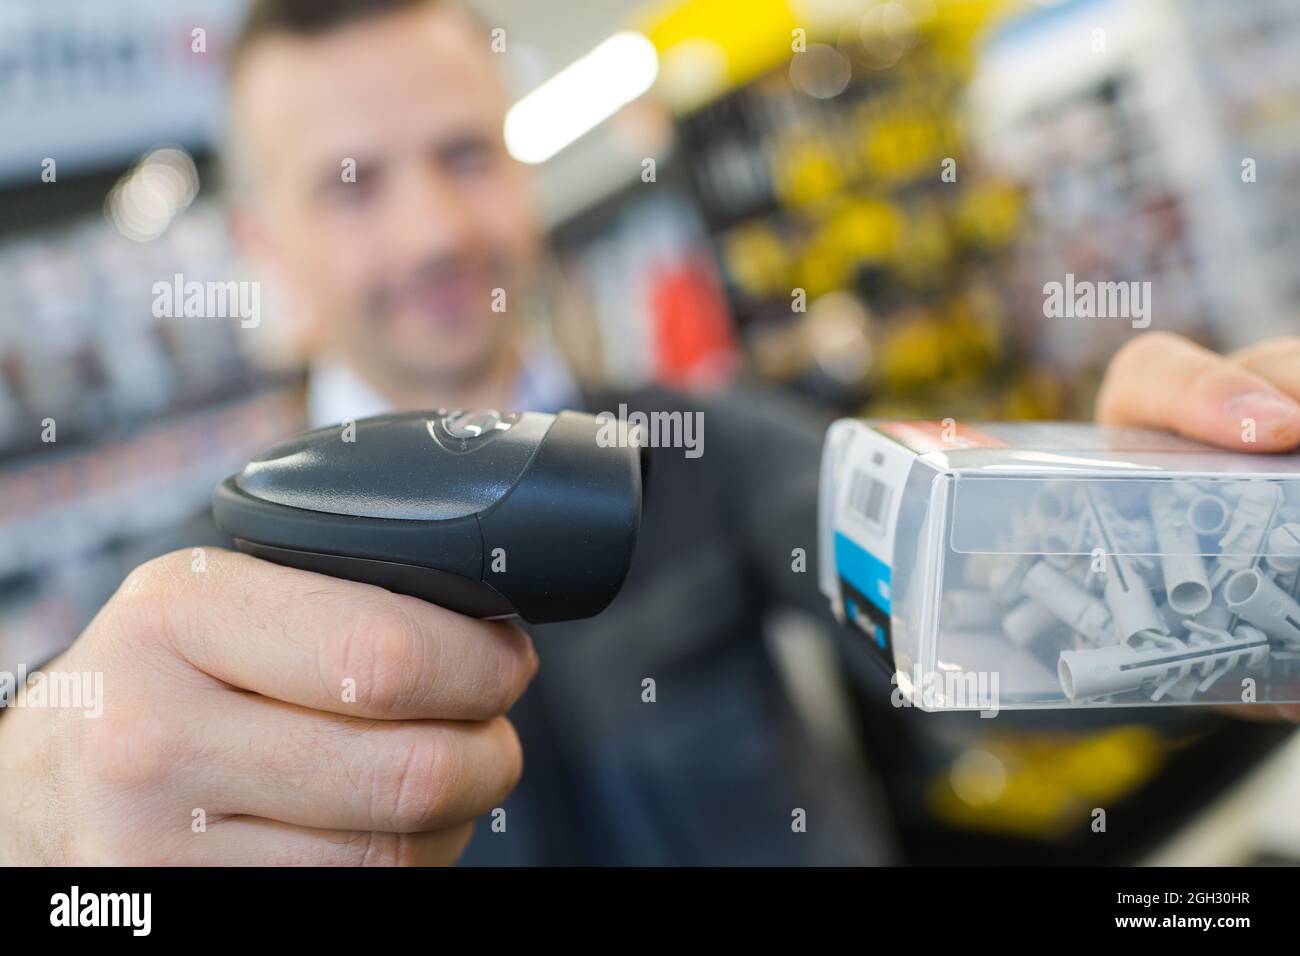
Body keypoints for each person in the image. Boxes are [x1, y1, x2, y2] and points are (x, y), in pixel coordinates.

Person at [1, 0, 1298, 866]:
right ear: (264, 250)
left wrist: (1212, 569)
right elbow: (77, 761)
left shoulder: (700, 451)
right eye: (352, 184)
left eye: (463, 155)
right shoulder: (195, 592)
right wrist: (36, 806)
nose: (433, 233)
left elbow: (953, 589)